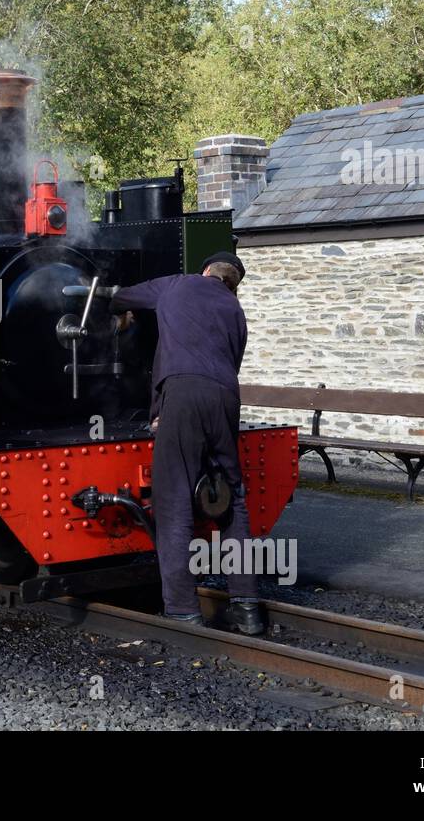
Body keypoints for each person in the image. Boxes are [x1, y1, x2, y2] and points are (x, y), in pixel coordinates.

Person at [110, 251, 267, 635]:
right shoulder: (235, 310)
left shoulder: (178, 284)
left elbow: (124, 296)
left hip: (182, 395)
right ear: (233, 284)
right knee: (232, 498)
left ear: (206, 271)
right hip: (226, 398)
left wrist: (116, 308)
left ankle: (182, 610)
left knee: (175, 500)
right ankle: (247, 608)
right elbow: (230, 363)